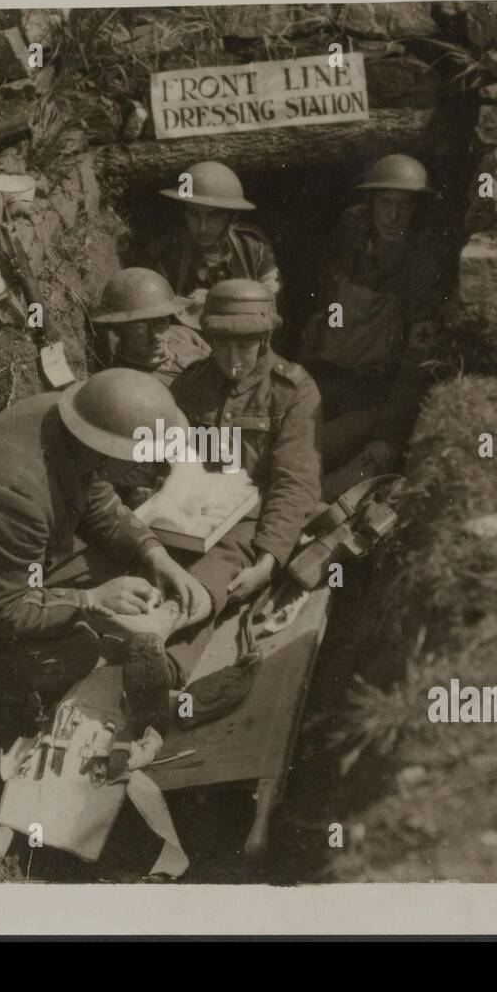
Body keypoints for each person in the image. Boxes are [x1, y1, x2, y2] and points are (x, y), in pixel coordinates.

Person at [0, 368, 211, 718]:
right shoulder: (20, 495)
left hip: (0, 558)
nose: (153, 464)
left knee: (128, 569)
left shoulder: (72, 422)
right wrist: (89, 601)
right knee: (77, 651)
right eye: (144, 454)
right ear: (108, 451)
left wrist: (154, 553)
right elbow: (2, 608)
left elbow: (96, 500)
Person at [114, 278, 322, 718]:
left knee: (220, 568)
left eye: (244, 345)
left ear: (266, 338)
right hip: (186, 509)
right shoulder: (189, 385)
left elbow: (295, 481)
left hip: (247, 519)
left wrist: (269, 559)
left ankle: (161, 633)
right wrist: (143, 500)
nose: (232, 358)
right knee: (151, 559)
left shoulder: (293, 392)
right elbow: (156, 454)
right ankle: (160, 660)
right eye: (222, 344)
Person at [298, 154, 446, 498]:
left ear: (417, 209)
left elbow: (416, 359)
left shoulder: (423, 264)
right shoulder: (350, 237)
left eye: (404, 206)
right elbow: (320, 319)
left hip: (374, 399)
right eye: (385, 203)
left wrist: (389, 435)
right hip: (325, 382)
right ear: (371, 203)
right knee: (283, 455)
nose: (393, 216)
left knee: (319, 483)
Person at [140, 161, 281, 327]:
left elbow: (271, 308)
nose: (203, 227)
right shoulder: (163, 254)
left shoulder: (252, 246)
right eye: (193, 214)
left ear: (233, 216)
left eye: (215, 216)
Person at [89, 267, 210, 387]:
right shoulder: (130, 383)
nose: (155, 335)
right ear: (118, 329)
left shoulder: (184, 335)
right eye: (140, 326)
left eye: (161, 321)